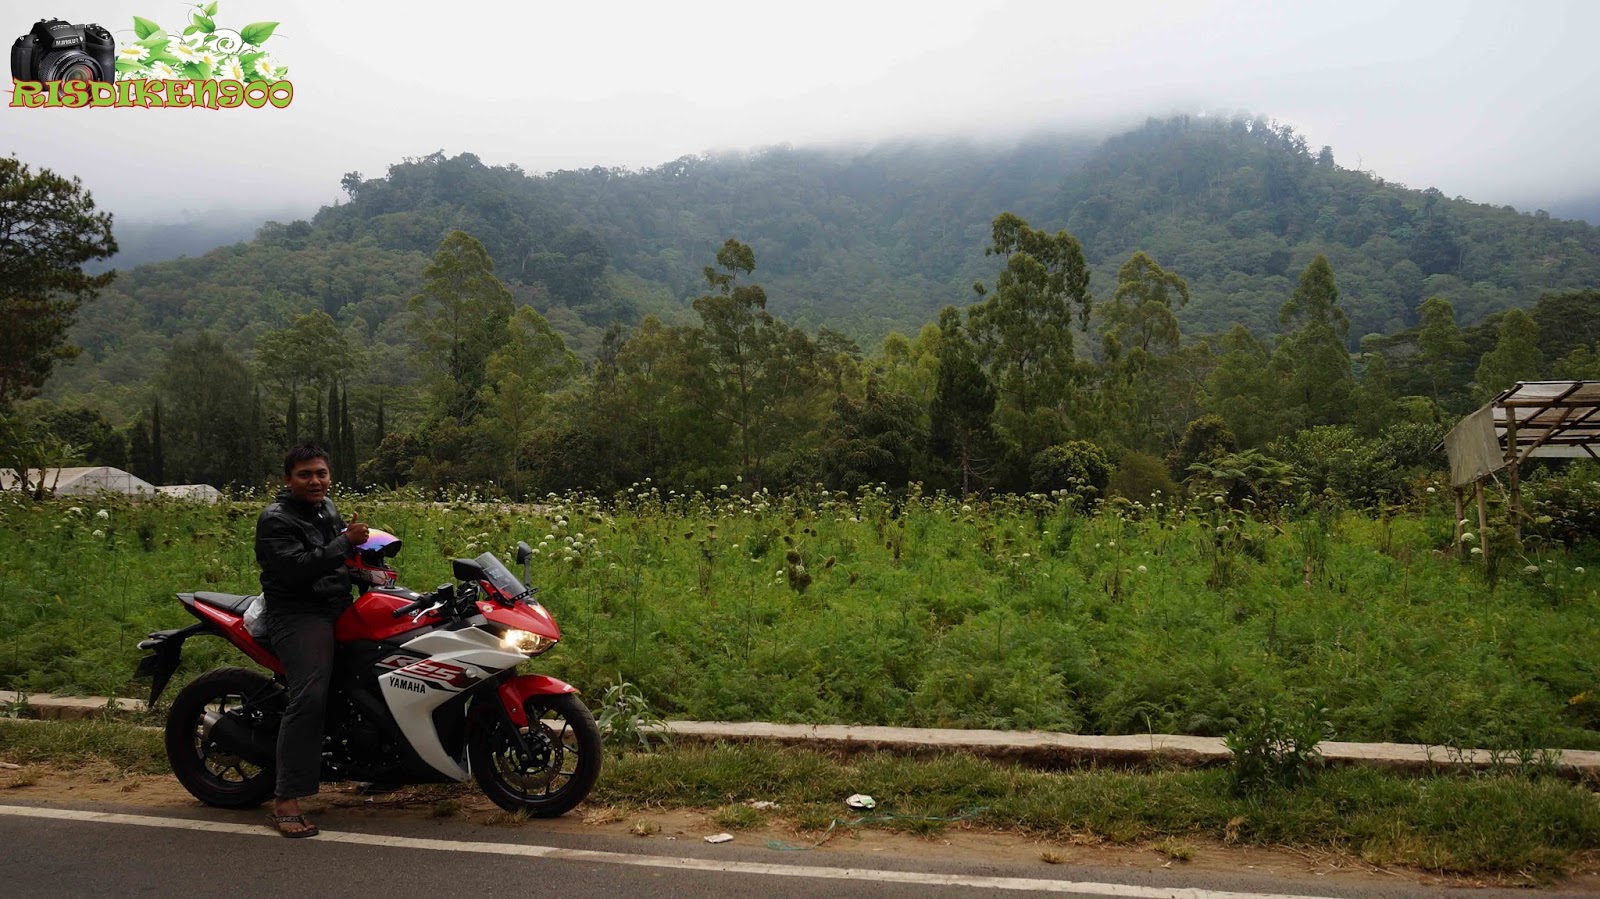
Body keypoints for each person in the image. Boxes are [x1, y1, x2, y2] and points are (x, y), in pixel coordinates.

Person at [255, 442, 368, 838]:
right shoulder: (275, 519)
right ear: (288, 480)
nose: (315, 481)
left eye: (321, 473)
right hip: (298, 614)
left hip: (336, 604)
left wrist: (364, 574)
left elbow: (331, 559)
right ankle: (286, 798)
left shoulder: (328, 508)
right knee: (311, 694)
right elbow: (298, 568)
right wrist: (346, 543)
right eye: (305, 475)